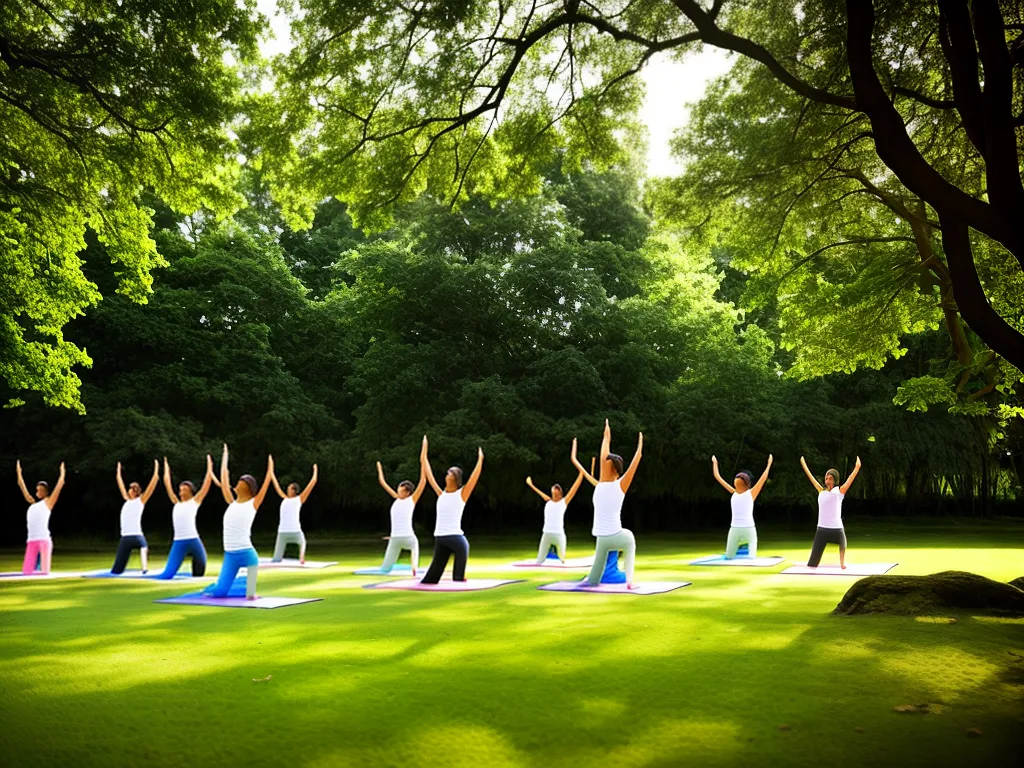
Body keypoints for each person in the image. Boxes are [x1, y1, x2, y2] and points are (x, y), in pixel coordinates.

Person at [572, 420, 643, 588]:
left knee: (593, 580)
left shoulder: (599, 486)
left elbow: (604, 449)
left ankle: (592, 580)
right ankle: (630, 581)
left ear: (608, 470)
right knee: (630, 540)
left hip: (601, 539)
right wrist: (639, 446)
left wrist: (607, 434)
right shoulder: (620, 485)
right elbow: (635, 462)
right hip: (616, 535)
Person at [209, 444, 274, 599]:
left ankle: (249, 591)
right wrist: (225, 456)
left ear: (248, 488)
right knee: (219, 593)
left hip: (248, 554)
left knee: (250, 596)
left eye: (240, 482)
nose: (236, 484)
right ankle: (222, 586)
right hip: (230, 555)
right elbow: (224, 478)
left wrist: (270, 470)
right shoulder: (231, 502)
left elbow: (266, 484)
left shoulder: (253, 504)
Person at [420, 437, 484, 584]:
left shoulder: (461, 494)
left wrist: (480, 459)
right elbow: (427, 469)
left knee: (458, 580)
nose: (446, 475)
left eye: (449, 473)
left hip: (457, 539)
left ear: (455, 478)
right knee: (430, 580)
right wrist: (424, 451)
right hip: (440, 539)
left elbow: (474, 477)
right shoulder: (440, 493)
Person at [156, 455, 216, 579]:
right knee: (167, 574)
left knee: (201, 565)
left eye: (184, 489)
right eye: (180, 489)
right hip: (178, 540)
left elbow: (206, 484)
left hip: (193, 539)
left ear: (190, 491)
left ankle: (196, 579)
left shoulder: (195, 501)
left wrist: (210, 467)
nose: (181, 491)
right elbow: (167, 483)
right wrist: (166, 467)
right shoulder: (176, 502)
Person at [375, 438, 428, 574]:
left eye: (401, 488)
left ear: (408, 492)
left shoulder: (411, 500)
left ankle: (414, 567)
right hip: (397, 538)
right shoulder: (397, 498)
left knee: (413, 547)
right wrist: (379, 468)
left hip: (401, 537)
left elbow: (423, 480)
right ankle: (414, 567)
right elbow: (382, 482)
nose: (398, 489)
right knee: (385, 569)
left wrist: (423, 456)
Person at [800, 455, 862, 569]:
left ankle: (842, 564)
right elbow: (811, 477)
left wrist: (857, 467)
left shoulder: (839, 492)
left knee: (843, 543)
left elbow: (850, 479)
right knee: (812, 564)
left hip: (836, 528)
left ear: (834, 479)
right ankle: (814, 563)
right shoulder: (821, 491)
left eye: (829, 477)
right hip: (821, 529)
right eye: (826, 477)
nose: (826, 479)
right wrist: (804, 464)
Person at [711, 454, 773, 558]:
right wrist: (715, 463)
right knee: (729, 556)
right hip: (734, 528)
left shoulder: (751, 493)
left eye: (740, 478)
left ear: (746, 483)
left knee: (752, 557)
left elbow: (763, 478)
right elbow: (718, 477)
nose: (737, 478)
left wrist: (769, 464)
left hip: (749, 528)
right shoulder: (734, 493)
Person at [525, 462, 586, 564]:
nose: (555, 489)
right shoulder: (548, 501)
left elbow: (574, 488)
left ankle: (561, 561)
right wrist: (530, 484)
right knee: (539, 560)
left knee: (562, 559)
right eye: (554, 488)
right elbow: (538, 492)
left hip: (559, 534)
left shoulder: (563, 502)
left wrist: (581, 474)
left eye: (557, 488)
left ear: (560, 493)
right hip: (546, 533)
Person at [16, 460, 66, 575]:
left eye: (41, 489)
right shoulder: (32, 503)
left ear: (46, 492)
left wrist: (62, 474)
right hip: (31, 541)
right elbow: (21, 485)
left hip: (43, 540)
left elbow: (59, 485)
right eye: (37, 489)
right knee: (26, 573)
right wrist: (19, 473)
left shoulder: (48, 503)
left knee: (44, 573)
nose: (38, 491)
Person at [111, 460, 160, 574]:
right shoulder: (127, 500)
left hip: (137, 534)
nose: (128, 490)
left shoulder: (140, 501)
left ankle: (145, 568)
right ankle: (118, 569)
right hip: (125, 537)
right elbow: (120, 484)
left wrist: (156, 472)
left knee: (144, 547)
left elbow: (151, 486)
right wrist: (118, 472)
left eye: (131, 489)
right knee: (117, 569)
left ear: (135, 491)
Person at [269, 464, 318, 563]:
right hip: (283, 530)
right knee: (277, 558)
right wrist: (271, 472)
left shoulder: (299, 499)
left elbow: (312, 482)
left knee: (303, 542)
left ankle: (301, 557)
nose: (287, 489)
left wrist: (315, 471)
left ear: (294, 491)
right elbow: (276, 485)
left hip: (293, 529)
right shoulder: (285, 498)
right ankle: (296, 557)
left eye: (290, 488)